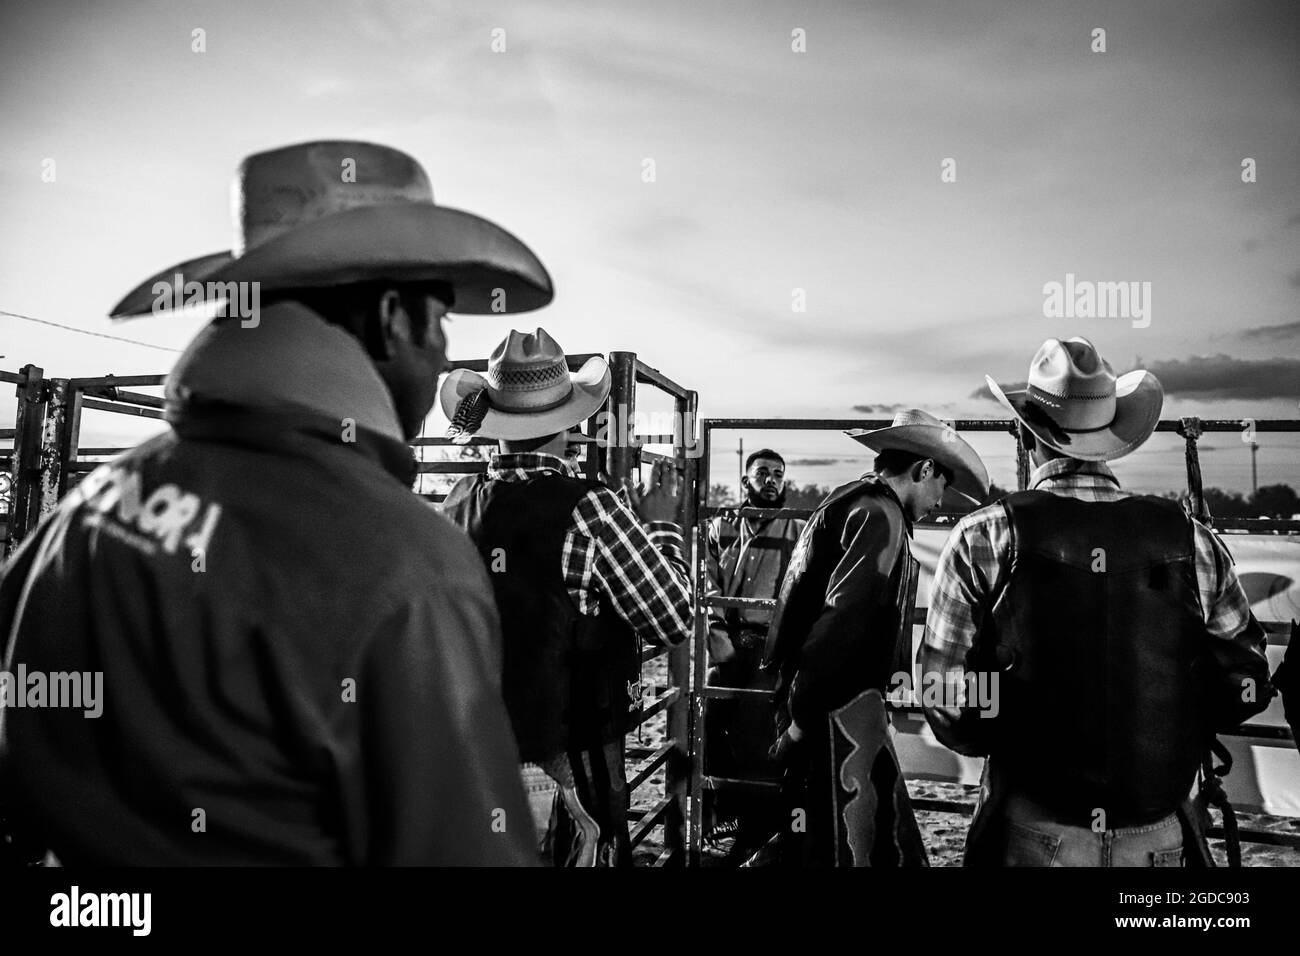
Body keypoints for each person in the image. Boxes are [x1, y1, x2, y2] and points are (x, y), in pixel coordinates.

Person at [0, 140, 549, 865]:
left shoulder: (97, 504)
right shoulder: (402, 566)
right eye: (440, 318)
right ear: (392, 318)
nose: (446, 354)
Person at [921, 336, 1275, 867]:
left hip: (1034, 823)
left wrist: (1011, 729)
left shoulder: (983, 535)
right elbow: (1244, 685)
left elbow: (946, 701)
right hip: (1157, 828)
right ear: (1112, 437)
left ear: (1027, 435)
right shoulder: (1190, 537)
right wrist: (1164, 720)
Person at [440, 328, 692, 866]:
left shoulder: (456, 504)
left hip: (467, 747)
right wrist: (664, 527)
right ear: (572, 423)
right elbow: (672, 619)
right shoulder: (592, 508)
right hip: (563, 757)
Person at [764, 409, 989, 866]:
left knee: (838, 832)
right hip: (835, 708)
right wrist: (801, 721)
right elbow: (840, 623)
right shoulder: (879, 516)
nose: (940, 502)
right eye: (941, 485)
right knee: (851, 837)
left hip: (830, 701)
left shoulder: (854, 502)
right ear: (924, 469)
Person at [701, 448, 803, 861]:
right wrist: (715, 632)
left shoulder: (798, 528)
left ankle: (759, 829)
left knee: (759, 733)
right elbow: (705, 579)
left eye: (778, 473)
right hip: (726, 641)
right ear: (746, 481)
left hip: (770, 647)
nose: (772, 480)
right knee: (710, 723)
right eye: (762, 473)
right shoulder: (720, 525)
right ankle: (724, 820)